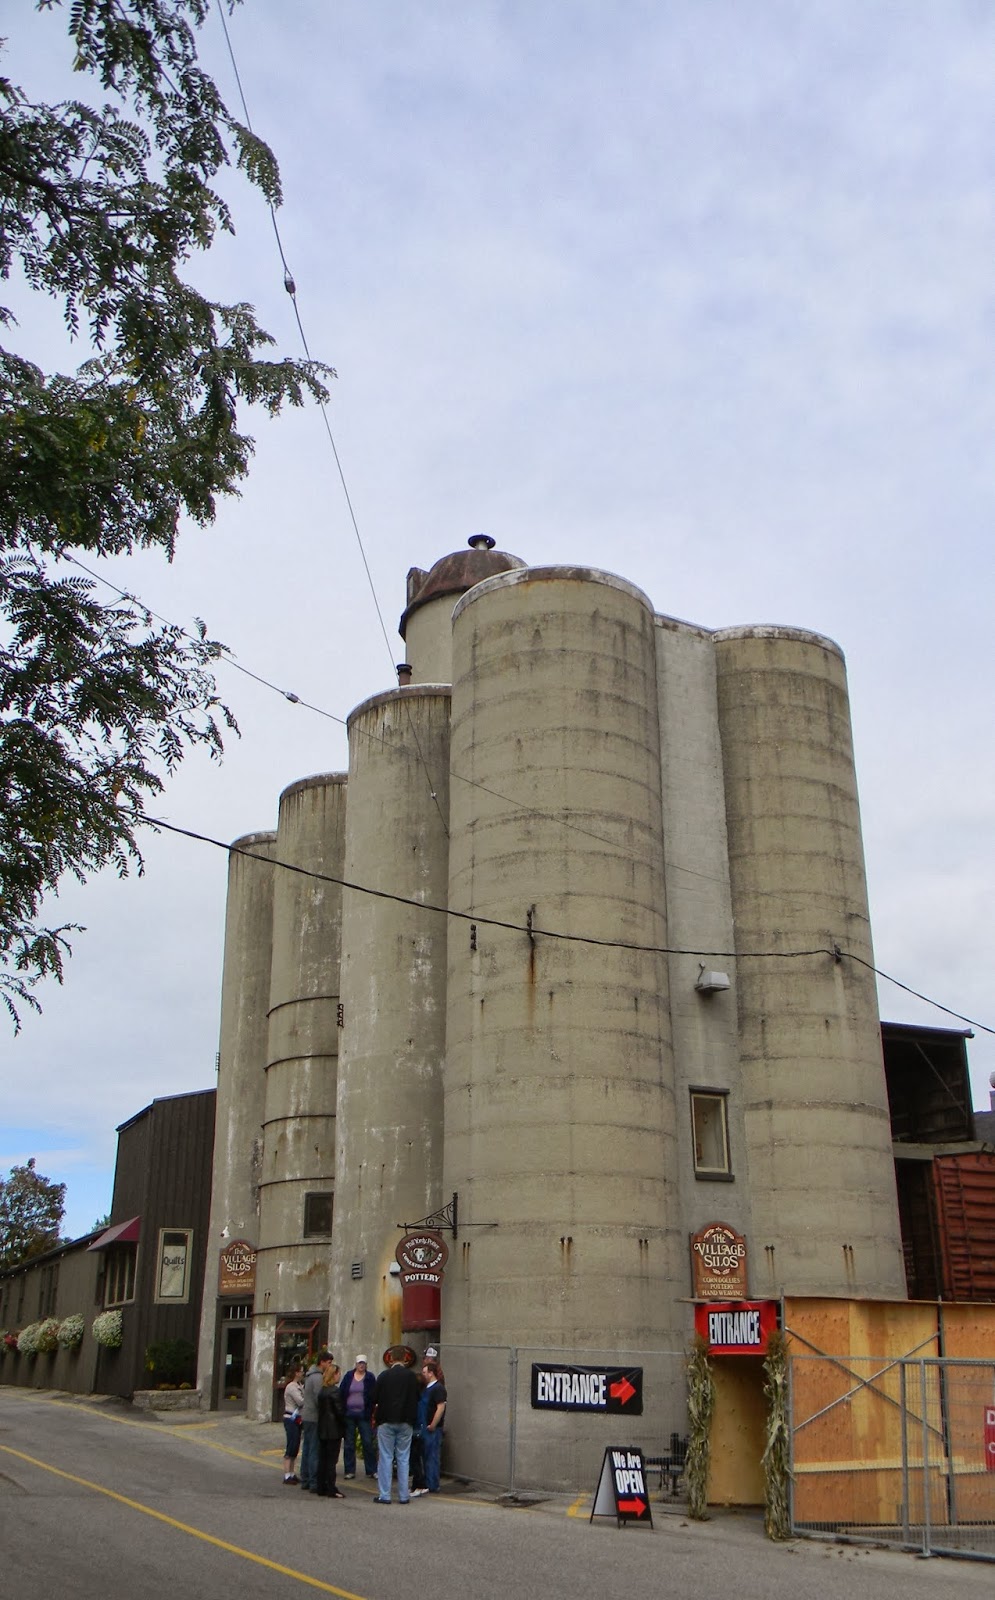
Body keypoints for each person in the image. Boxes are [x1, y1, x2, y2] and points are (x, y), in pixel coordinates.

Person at [371, 1344, 421, 1504]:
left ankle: (385, 1495)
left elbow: (374, 1398)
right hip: (406, 1420)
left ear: (391, 1358)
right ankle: (403, 1495)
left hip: (386, 1420)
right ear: (405, 1358)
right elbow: (417, 1398)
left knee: (385, 1457)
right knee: (403, 1457)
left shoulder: (384, 1376)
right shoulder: (411, 1377)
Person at [300, 1349, 334, 1492]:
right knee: (314, 1449)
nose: (330, 1365)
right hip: (314, 1417)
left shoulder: (309, 1376)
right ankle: (313, 1481)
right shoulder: (318, 1378)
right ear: (322, 1362)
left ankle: (305, 1478)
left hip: (306, 1416)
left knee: (307, 1448)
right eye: (329, 1362)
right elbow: (318, 1398)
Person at [339, 1354, 377, 1480]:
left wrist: (371, 1410)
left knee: (367, 1442)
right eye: (359, 1363)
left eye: (363, 1364)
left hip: (364, 1414)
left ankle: (371, 1470)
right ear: (355, 1364)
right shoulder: (349, 1376)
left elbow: (373, 1395)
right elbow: (342, 1392)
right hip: (349, 1414)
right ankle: (349, 1470)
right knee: (349, 1443)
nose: (361, 1366)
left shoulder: (370, 1377)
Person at [316, 1361, 346, 1499]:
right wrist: (345, 1425)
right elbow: (340, 1411)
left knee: (323, 1458)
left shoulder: (322, 1391)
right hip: (333, 1430)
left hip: (323, 1428)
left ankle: (321, 1485)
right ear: (334, 1375)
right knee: (331, 1460)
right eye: (338, 1373)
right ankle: (331, 1488)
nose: (340, 1376)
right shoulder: (335, 1391)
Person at [418, 1359, 447, 1494]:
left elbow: (440, 1408)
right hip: (424, 1427)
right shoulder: (425, 1388)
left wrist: (433, 1424)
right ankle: (427, 1482)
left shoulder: (438, 1388)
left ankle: (433, 1484)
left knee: (432, 1457)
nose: (423, 1374)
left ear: (431, 1373)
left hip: (432, 1429)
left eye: (424, 1372)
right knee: (425, 1456)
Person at [281, 1361, 305, 1484]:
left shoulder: (299, 1385)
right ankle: (286, 1474)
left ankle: (292, 1472)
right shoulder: (291, 1387)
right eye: (301, 1371)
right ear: (296, 1373)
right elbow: (301, 1401)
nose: (302, 1373)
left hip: (297, 1418)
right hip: (290, 1418)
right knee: (291, 1445)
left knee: (295, 1446)